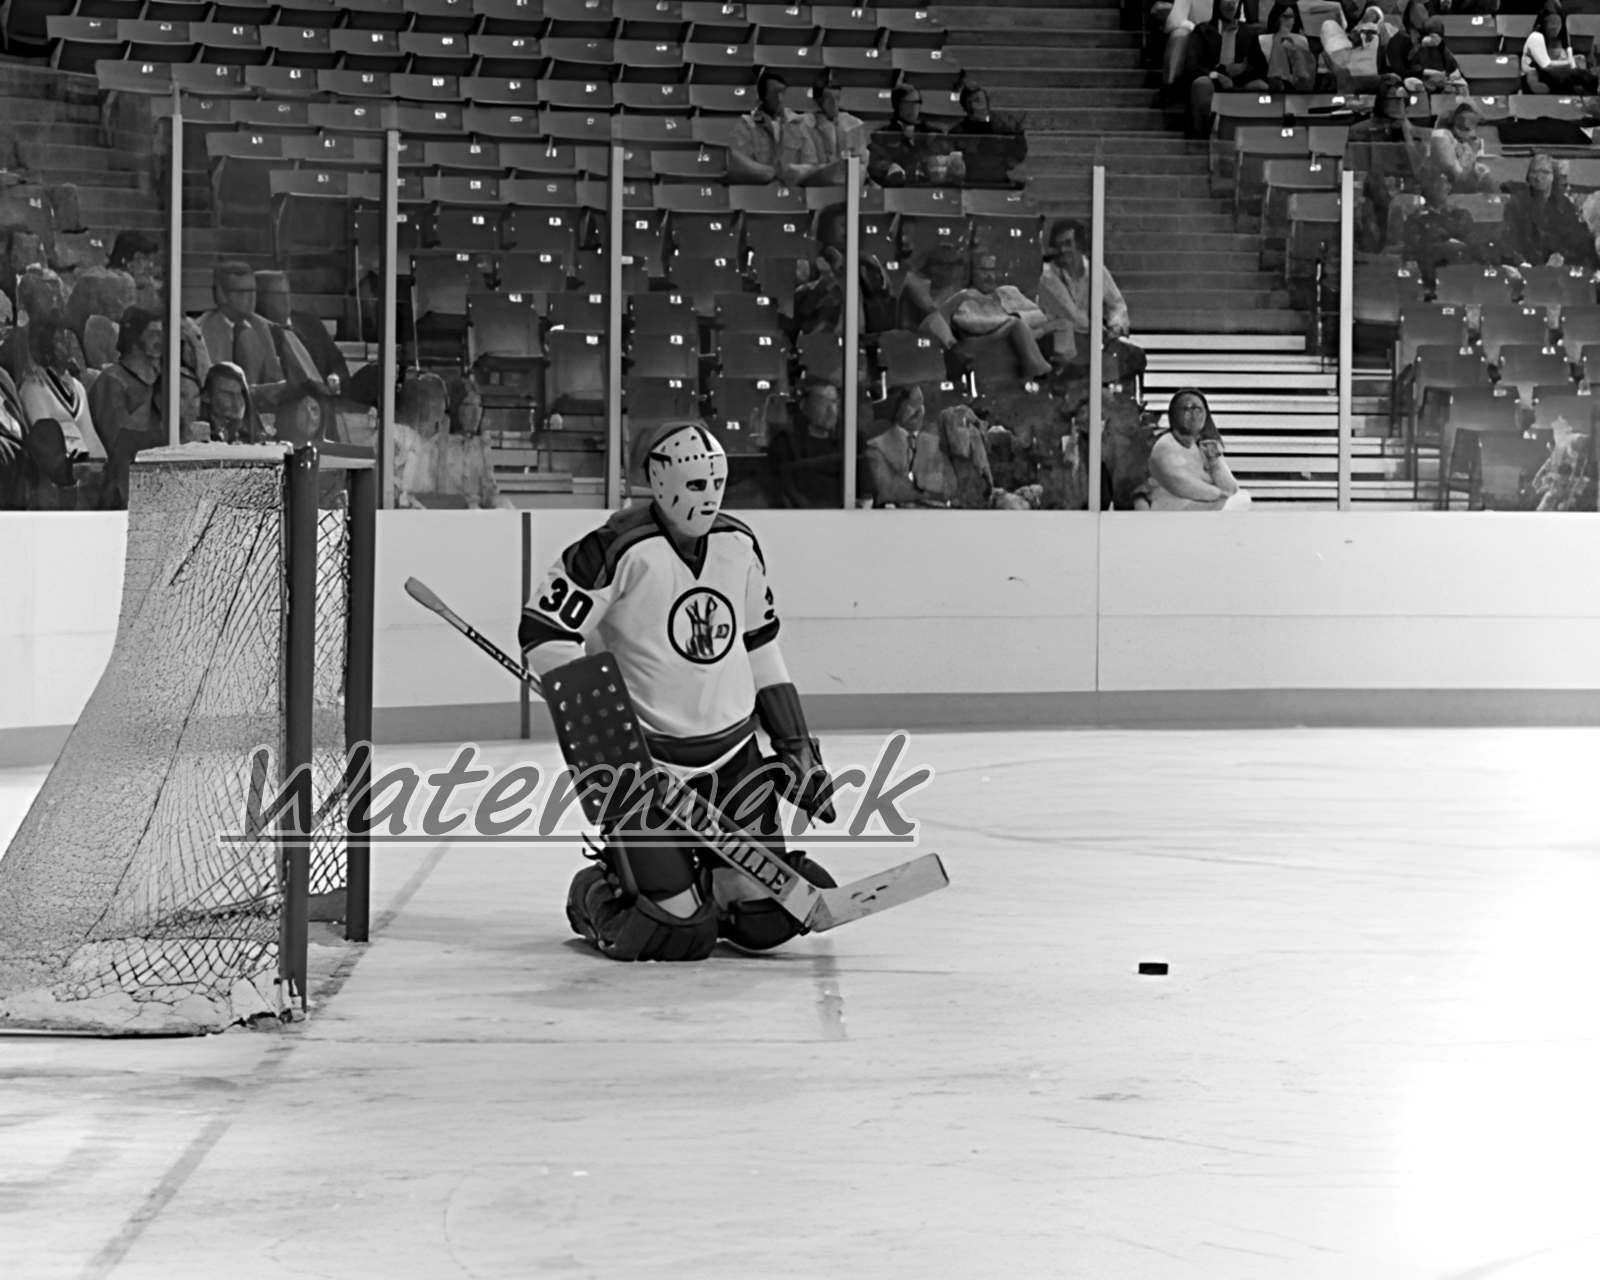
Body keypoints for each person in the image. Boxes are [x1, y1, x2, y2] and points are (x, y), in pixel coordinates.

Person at [521, 420, 837, 962]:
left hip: (734, 759)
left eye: (717, 483)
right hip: (649, 767)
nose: (709, 497)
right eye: (695, 484)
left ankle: (717, 883)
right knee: (677, 933)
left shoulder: (738, 545)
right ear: (660, 482)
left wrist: (794, 746)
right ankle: (597, 892)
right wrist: (608, 741)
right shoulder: (615, 549)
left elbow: (759, 646)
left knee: (766, 919)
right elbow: (545, 635)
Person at [1036, 218, 1142, 381]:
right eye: (1058, 245)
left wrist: (1115, 327)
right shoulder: (1048, 276)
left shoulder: (1096, 270)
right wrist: (1101, 331)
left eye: (1067, 243)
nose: (1062, 250)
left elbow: (1117, 305)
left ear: (1080, 245)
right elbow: (1072, 315)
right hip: (1063, 340)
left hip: (1092, 340)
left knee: (1132, 356)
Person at [20, 316, 103, 507]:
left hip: (81, 478)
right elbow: (46, 446)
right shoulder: (33, 386)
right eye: (62, 340)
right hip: (52, 486)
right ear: (46, 346)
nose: (70, 346)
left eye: (70, 339)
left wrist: (99, 467)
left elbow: (90, 437)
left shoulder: (77, 388)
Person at [946, 251, 1055, 381]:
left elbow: (1039, 317)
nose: (990, 276)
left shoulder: (1009, 292)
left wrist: (1016, 321)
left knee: (1025, 325)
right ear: (972, 272)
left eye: (994, 270)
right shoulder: (963, 297)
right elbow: (974, 325)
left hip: (1011, 354)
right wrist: (1008, 322)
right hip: (979, 347)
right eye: (984, 270)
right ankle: (1037, 367)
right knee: (1015, 324)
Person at [1145, 389, 1249, 509]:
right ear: (1174, 414)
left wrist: (1214, 461)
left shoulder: (1203, 444)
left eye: (1198, 409)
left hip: (1205, 506)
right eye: (1186, 409)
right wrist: (1220, 494)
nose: (1193, 415)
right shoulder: (1165, 446)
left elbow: (1231, 488)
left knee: (1243, 498)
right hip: (1174, 509)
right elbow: (1182, 486)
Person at [1182, 0, 1270, 139]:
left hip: (1240, 80)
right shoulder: (1202, 30)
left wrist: (1244, 68)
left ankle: (1256, 136)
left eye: (1234, 1)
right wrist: (1216, 75)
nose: (1231, 4)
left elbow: (1261, 68)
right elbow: (1192, 65)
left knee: (1261, 87)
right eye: (1226, 0)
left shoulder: (1248, 33)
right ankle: (1201, 135)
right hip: (1211, 77)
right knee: (1201, 84)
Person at [254, 271, 348, 394]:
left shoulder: (310, 323)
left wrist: (336, 377)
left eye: (287, 293)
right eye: (277, 295)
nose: (285, 300)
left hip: (329, 398)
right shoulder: (259, 333)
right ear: (261, 299)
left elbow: (337, 361)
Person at [88, 306, 162, 458]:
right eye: (153, 334)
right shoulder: (112, 380)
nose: (161, 340)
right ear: (134, 336)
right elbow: (113, 443)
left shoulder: (160, 381)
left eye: (162, 334)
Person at [198, 261, 284, 389]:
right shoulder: (202, 330)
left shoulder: (261, 327)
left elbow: (275, 379)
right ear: (221, 294)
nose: (251, 298)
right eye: (242, 292)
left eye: (252, 291)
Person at [1503, 152, 1593, 268]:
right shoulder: (1516, 205)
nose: (1539, 177)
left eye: (1545, 172)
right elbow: (1508, 240)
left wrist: (1562, 257)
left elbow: (1577, 242)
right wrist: (1522, 264)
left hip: (1560, 270)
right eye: (1535, 171)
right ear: (1528, 176)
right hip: (1523, 269)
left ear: (1553, 177)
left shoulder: (1564, 206)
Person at [768, 377, 846, 507]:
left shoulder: (845, 446)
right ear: (804, 405)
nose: (831, 410)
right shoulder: (786, 444)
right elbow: (788, 492)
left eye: (834, 402)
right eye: (822, 403)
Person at [1402, 168, 1484, 290]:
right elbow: (1412, 248)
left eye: (1445, 182)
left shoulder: (1461, 215)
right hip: (1426, 280)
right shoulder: (1416, 218)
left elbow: (1473, 245)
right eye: (1436, 181)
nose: (1443, 186)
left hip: (1459, 278)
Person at [436, 377, 511, 508]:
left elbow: (490, 491)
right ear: (455, 407)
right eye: (468, 405)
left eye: (479, 405)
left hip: (476, 516)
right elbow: (433, 496)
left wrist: (501, 505)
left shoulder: (481, 445)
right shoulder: (438, 445)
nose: (476, 413)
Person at [728, 70, 808, 186]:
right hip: (759, 191)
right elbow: (741, 169)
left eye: (782, 93)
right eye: (774, 93)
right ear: (762, 97)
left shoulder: (798, 125)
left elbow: (810, 166)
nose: (780, 99)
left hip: (793, 191)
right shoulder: (746, 127)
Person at [868, 85, 955, 187]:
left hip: (928, 190)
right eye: (907, 103)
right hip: (896, 190)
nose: (912, 107)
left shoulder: (934, 134)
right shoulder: (882, 135)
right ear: (896, 105)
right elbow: (876, 164)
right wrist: (891, 167)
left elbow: (946, 160)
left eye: (916, 102)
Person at [790, 77, 869, 188]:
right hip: (811, 189)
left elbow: (861, 166)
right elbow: (795, 170)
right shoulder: (801, 125)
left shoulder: (853, 124)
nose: (833, 104)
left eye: (836, 98)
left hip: (847, 189)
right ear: (818, 99)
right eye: (828, 98)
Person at [946, 84, 1027, 188]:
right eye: (970, 102)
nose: (975, 106)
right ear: (965, 107)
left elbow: (1018, 153)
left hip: (1000, 183)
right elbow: (951, 155)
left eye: (978, 100)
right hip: (972, 183)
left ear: (987, 102)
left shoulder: (1004, 126)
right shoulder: (959, 132)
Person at [1392, 11, 1470, 95]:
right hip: (1422, 84)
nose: (1432, 41)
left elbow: (1453, 68)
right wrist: (1427, 72)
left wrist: (1454, 74)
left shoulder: (1443, 50)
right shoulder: (1417, 50)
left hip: (1441, 85)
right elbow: (1409, 71)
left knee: (1462, 85)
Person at [1522, 9, 1597, 93]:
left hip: (1556, 74)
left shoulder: (1562, 40)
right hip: (1539, 74)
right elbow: (1546, 66)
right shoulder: (1536, 37)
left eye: (1558, 22)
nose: (1554, 26)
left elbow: (1572, 66)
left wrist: (1573, 66)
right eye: (1551, 22)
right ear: (1543, 23)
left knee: (1587, 78)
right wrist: (1568, 65)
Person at [1428, 104, 1495, 194]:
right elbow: (1458, 176)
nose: (1472, 134)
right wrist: (1471, 154)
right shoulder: (1442, 137)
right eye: (1466, 129)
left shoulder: (1462, 143)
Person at [199, 362, 264, 445]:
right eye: (227, 394)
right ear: (206, 396)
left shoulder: (252, 429)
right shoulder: (197, 431)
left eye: (240, 394)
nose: (237, 403)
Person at [1263, 4, 1317, 92]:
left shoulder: (1302, 39)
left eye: (1291, 17)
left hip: (1301, 82)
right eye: (1285, 17)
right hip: (1275, 84)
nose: (1288, 21)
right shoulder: (1262, 39)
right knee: (1280, 38)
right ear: (1276, 18)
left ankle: (1300, 80)